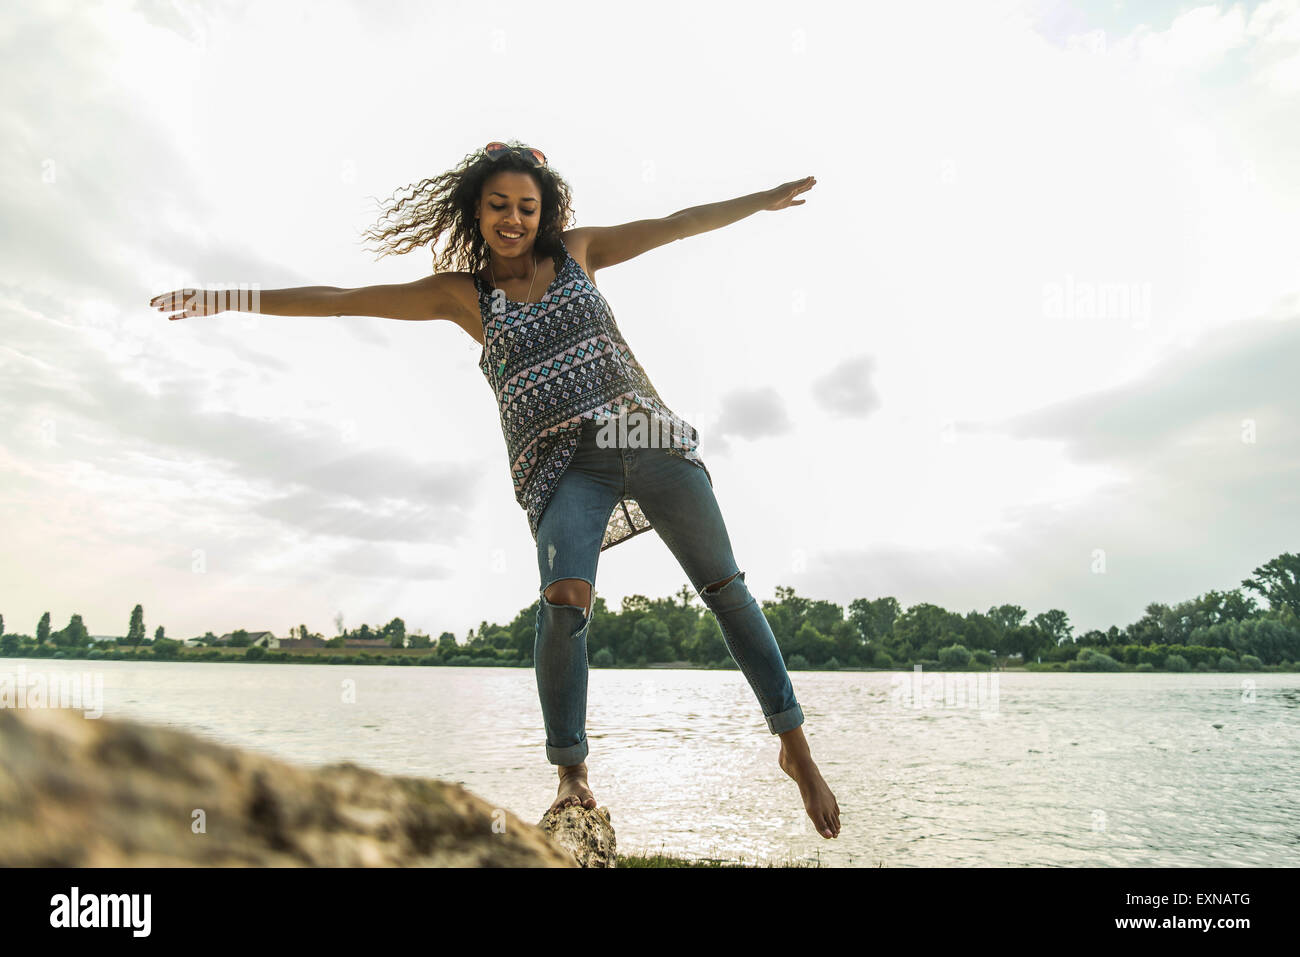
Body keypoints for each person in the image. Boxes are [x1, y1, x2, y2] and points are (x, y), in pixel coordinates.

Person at [149, 140, 840, 840]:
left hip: (648, 438)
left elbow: (679, 223)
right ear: (477, 211)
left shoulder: (579, 252)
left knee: (726, 588)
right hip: (564, 466)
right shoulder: (464, 296)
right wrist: (226, 297)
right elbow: (340, 301)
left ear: (546, 212)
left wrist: (760, 200)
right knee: (564, 596)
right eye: (500, 206)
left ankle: (795, 745)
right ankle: (571, 771)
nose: (514, 219)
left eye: (527, 207)